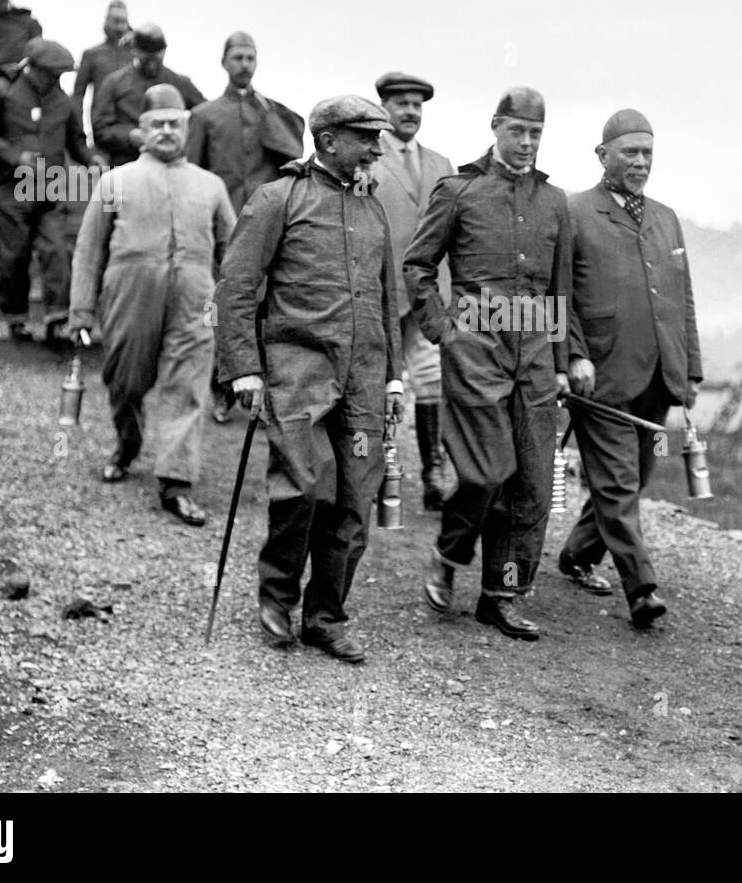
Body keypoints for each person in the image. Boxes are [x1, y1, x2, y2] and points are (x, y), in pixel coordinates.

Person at [214, 95, 403, 664]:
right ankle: (277, 597)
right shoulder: (278, 199)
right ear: (327, 141)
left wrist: (393, 379)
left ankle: (326, 617)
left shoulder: (373, 210)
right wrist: (244, 368)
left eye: (378, 137)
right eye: (365, 137)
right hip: (297, 375)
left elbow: (387, 298)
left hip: (364, 380)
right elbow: (236, 287)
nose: (376, 148)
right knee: (304, 487)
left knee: (354, 501)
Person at [405, 86, 571, 641]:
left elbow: (561, 291)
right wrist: (443, 332)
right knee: (487, 472)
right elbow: (418, 265)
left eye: (536, 134)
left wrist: (564, 363)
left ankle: (500, 596)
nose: (526, 143)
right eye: (518, 131)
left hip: (537, 357)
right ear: (496, 126)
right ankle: (449, 554)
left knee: (531, 485)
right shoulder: (459, 190)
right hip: (476, 349)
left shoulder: (554, 203)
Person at [560, 109, 702, 628]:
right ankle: (640, 588)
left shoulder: (666, 218)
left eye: (647, 154)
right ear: (603, 156)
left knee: (634, 478)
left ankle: (576, 554)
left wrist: (690, 376)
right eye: (630, 153)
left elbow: (683, 300)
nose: (640, 163)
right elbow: (560, 296)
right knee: (618, 483)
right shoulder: (573, 212)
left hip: (659, 375)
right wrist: (573, 354)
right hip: (600, 373)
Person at [69, 85, 235, 526]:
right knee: (125, 381)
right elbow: (88, 251)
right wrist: (81, 310)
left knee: (189, 384)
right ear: (140, 132)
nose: (166, 131)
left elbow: (232, 254)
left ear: (186, 127)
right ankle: (128, 444)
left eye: (174, 123)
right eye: (156, 124)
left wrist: (236, 309)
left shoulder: (211, 186)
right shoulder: (115, 181)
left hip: (195, 297)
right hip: (129, 291)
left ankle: (175, 483)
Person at [186, 30, 304, 423]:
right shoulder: (204, 115)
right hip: (220, 226)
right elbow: (193, 175)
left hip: (265, 226)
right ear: (224, 62)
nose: (244, 65)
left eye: (250, 58)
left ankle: (259, 390)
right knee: (222, 305)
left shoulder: (272, 112)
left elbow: (294, 157)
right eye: (237, 57)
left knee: (264, 305)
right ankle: (221, 389)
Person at [0, 38, 98, 342]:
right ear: (33, 68)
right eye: (51, 73)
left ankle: (57, 319)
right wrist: (15, 156)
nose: (55, 80)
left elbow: (76, 141)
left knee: (57, 251)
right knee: (14, 256)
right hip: (8, 190)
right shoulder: (1, 88)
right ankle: (16, 318)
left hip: (49, 188)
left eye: (59, 75)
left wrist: (91, 160)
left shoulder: (61, 100)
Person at [372, 71, 455, 510]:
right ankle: (377, 474)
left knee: (431, 380)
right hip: (381, 291)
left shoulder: (441, 165)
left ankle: (433, 474)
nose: (409, 112)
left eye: (417, 105)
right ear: (384, 108)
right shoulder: (367, 156)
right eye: (401, 103)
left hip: (428, 295)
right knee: (380, 382)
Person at [92, 23, 205, 167]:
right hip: (126, 164)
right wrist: (129, 136)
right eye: (147, 56)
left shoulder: (180, 83)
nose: (152, 62)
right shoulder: (114, 83)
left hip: (170, 166)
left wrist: (182, 134)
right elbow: (100, 130)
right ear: (134, 51)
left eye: (157, 55)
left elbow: (204, 116)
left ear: (164, 51)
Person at [72, 0, 133, 133]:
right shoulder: (92, 55)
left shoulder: (135, 55)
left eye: (123, 21)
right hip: (102, 128)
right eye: (116, 21)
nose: (120, 27)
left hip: (133, 128)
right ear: (107, 21)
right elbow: (77, 96)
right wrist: (79, 133)